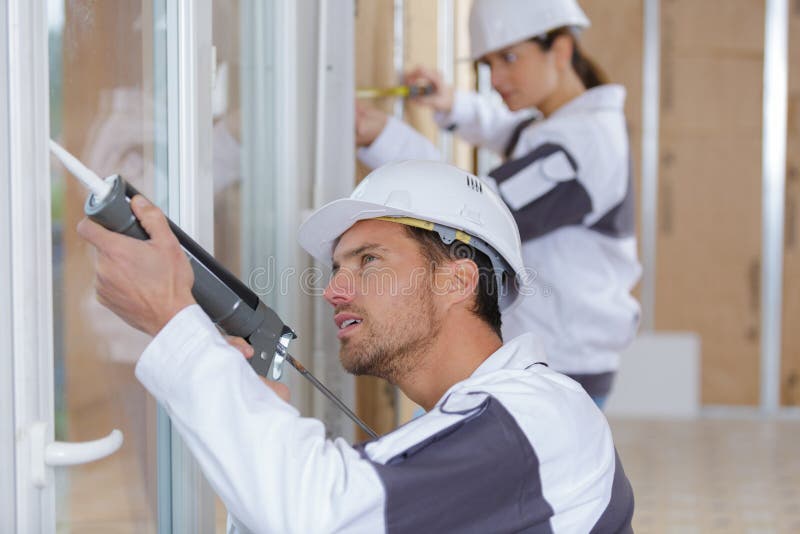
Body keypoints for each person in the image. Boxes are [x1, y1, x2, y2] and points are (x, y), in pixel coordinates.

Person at [77, 160, 634, 532]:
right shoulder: (489, 424)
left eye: (369, 261)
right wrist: (256, 422)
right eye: (337, 267)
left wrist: (174, 320)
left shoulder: (532, 418)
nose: (333, 290)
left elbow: (321, 514)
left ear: (458, 281)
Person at [356, 0, 641, 407]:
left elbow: (478, 209)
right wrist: (452, 105)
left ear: (560, 50)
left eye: (510, 57)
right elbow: (512, 131)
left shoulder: (583, 145)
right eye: (489, 64)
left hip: (559, 367)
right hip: (561, 355)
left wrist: (383, 137)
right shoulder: (565, 122)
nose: (498, 77)